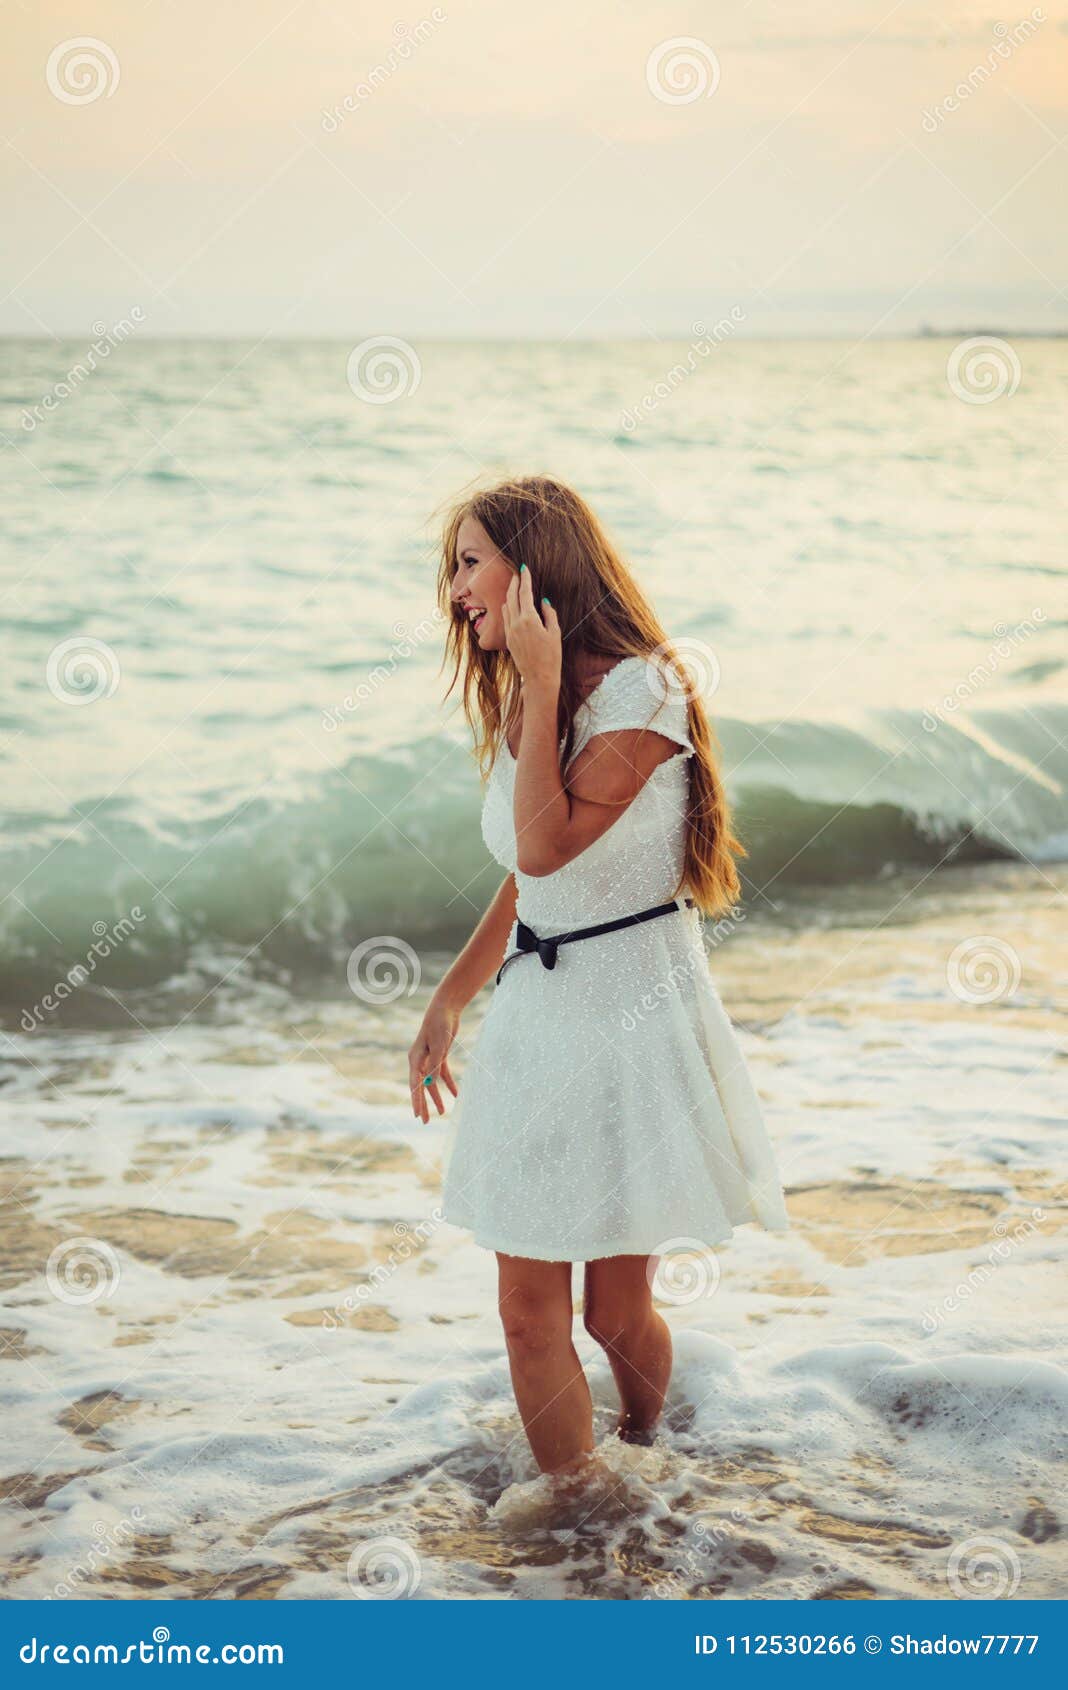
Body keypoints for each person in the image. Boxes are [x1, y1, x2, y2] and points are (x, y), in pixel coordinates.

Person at [407, 475, 788, 1479]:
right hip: (539, 1018)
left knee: (616, 1312)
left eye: (470, 562)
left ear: (535, 570)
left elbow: (549, 845)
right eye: (454, 567)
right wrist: (449, 997)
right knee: (528, 1314)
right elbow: (527, 886)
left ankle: (646, 1456)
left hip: (630, 1021)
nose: (456, 590)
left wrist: (538, 687)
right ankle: (576, 1513)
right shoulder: (533, 699)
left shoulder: (644, 692)